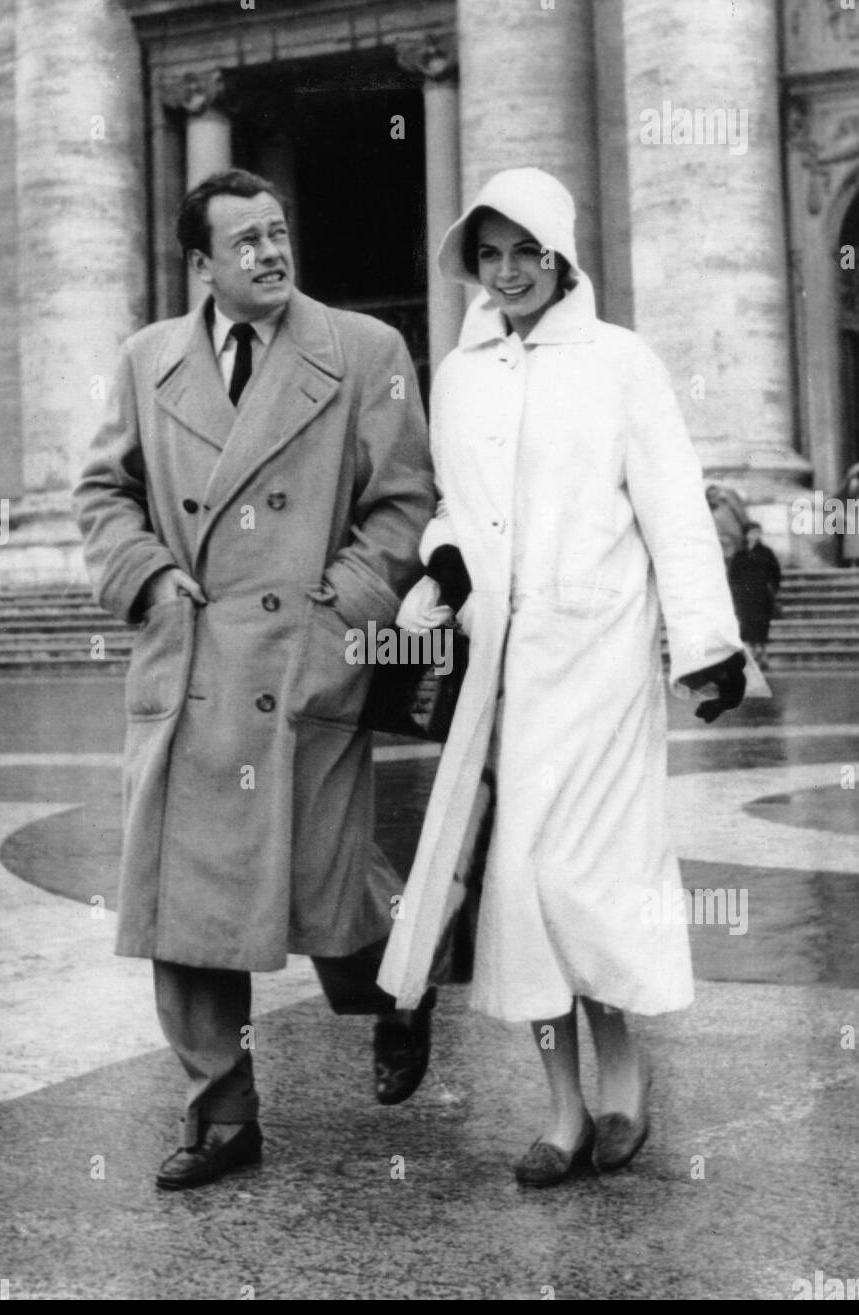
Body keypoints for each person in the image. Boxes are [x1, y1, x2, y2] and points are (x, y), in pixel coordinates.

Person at [379, 167, 747, 1187]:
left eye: (523, 252)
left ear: (559, 255)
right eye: (488, 255)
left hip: (603, 663)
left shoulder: (621, 363)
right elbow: (455, 503)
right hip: (503, 667)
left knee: (581, 877)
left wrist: (706, 643)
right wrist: (445, 564)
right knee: (516, 888)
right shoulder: (457, 375)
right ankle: (562, 1107)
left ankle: (623, 1069)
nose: (506, 273)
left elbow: (672, 503)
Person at [73, 169, 436, 1191]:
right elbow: (102, 491)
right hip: (188, 660)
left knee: (326, 888)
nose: (271, 253)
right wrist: (145, 577)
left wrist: (348, 605)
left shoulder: (364, 351)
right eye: (247, 241)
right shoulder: (146, 360)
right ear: (202, 263)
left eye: (279, 233)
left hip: (301, 659)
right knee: (185, 903)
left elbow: (404, 500)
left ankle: (396, 990)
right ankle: (221, 1109)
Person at [728, 522, 782, 668]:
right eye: (752, 532)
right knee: (747, 625)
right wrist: (736, 592)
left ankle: (763, 654)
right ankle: (752, 655)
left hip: (761, 596)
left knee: (762, 626)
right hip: (744, 598)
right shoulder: (740, 555)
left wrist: (773, 589)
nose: (755, 535)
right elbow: (733, 575)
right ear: (746, 535)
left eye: (757, 532)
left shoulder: (766, 552)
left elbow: (775, 573)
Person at [705, 483, 750, 565]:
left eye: (717, 493)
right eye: (712, 496)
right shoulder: (716, 513)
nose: (716, 497)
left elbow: (742, 518)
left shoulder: (728, 506)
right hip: (731, 549)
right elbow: (734, 532)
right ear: (709, 499)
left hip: (737, 546)